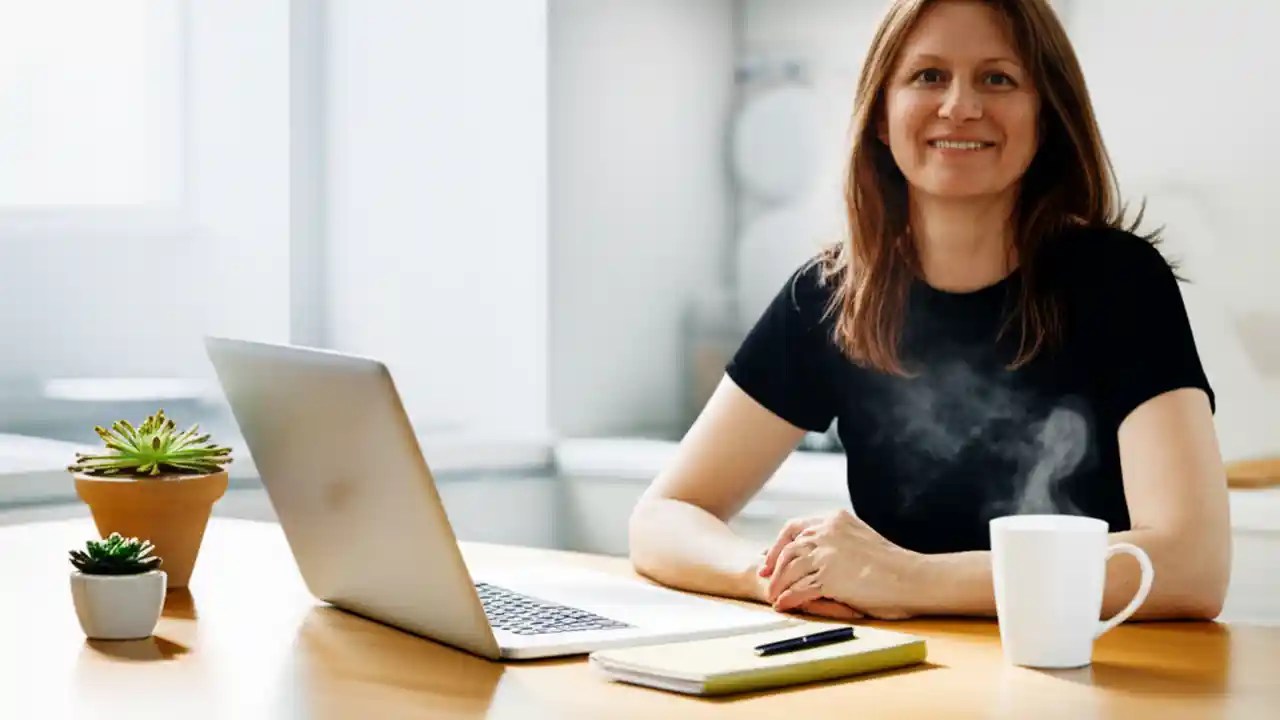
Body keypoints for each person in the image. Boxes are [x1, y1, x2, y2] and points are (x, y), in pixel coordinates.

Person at [628, 0, 1230, 622]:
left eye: (998, 78)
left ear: (1045, 116)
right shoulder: (833, 295)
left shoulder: (1122, 283)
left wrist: (908, 579)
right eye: (928, 76)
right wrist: (777, 580)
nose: (960, 106)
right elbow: (664, 516)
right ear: (882, 118)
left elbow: (1191, 566)